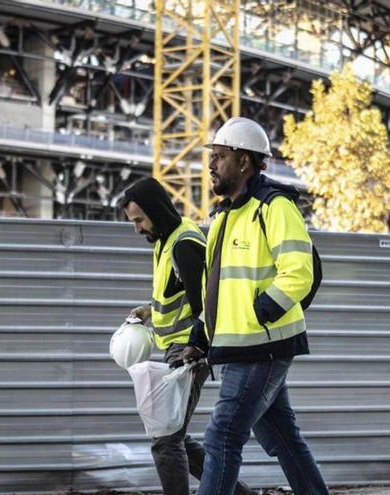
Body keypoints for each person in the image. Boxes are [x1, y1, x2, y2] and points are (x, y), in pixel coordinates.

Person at [182, 117, 329, 495]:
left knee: (222, 437)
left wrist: (262, 311)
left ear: (244, 161)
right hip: (237, 347)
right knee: (283, 439)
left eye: (219, 156)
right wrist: (201, 334)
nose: (211, 165)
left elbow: (300, 271)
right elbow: (214, 285)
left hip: (260, 348)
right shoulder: (224, 216)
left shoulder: (274, 206)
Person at [120, 178, 255, 495]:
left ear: (155, 211)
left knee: (166, 440)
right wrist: (149, 311)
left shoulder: (183, 244)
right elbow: (179, 298)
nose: (137, 228)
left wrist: (196, 351)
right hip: (178, 351)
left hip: (188, 353)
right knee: (173, 437)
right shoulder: (167, 241)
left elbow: (206, 305)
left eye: (139, 219)